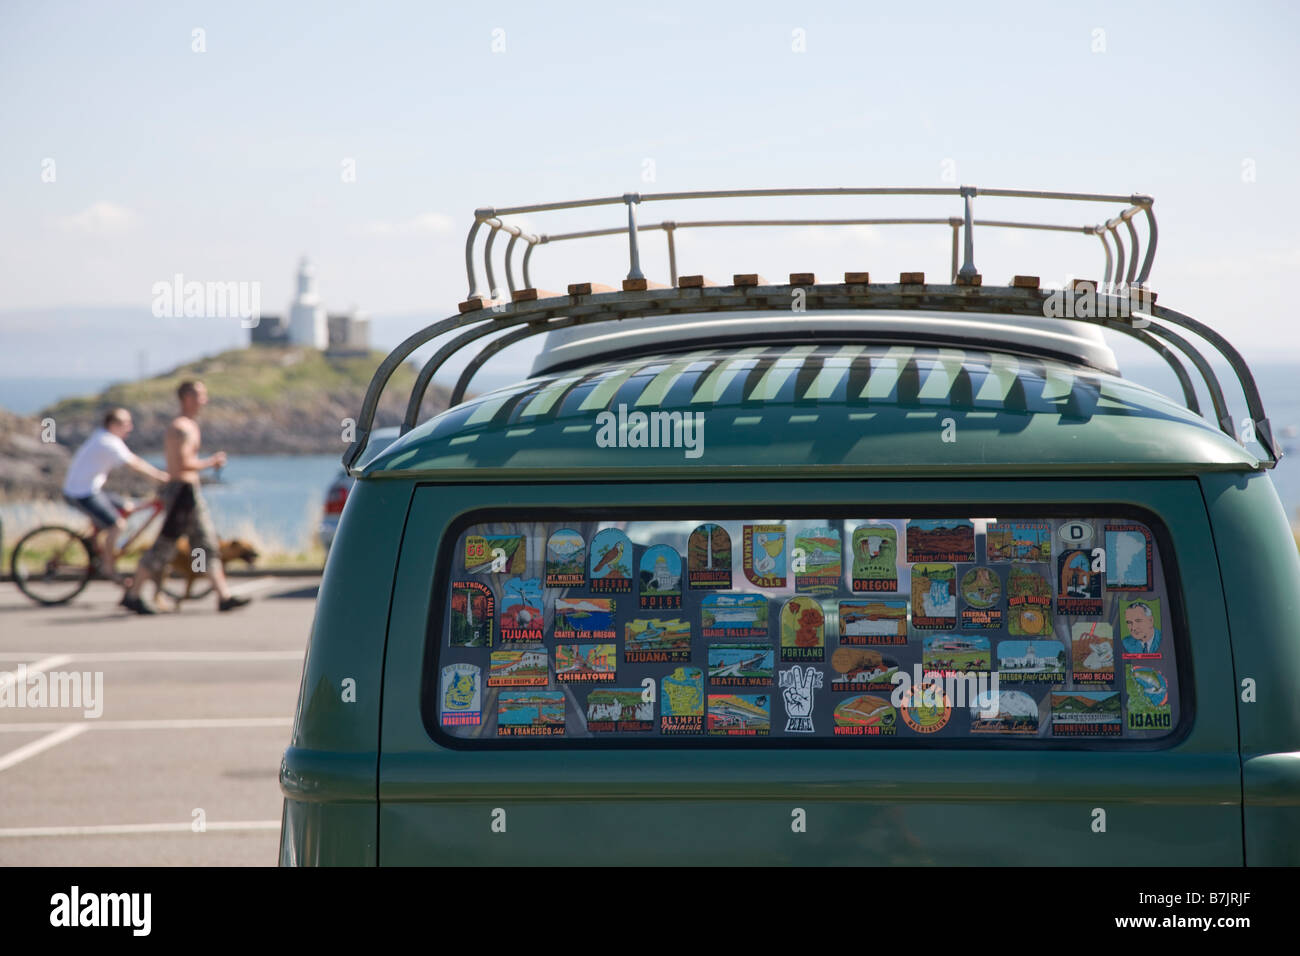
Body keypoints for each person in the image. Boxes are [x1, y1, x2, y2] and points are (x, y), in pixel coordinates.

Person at [122, 380, 251, 614]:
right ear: (188, 398)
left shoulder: (188, 425)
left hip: (188, 492)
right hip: (182, 492)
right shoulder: (182, 427)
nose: (205, 400)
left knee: (206, 544)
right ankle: (133, 594)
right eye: (201, 395)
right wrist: (211, 462)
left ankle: (223, 596)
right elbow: (183, 463)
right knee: (165, 545)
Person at [62, 408, 170, 580]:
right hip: (81, 493)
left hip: (90, 489)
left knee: (127, 507)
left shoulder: (104, 437)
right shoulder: (108, 441)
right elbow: (134, 463)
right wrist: (161, 477)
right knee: (117, 526)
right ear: (113, 425)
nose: (130, 427)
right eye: (126, 423)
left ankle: (96, 546)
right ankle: (108, 568)